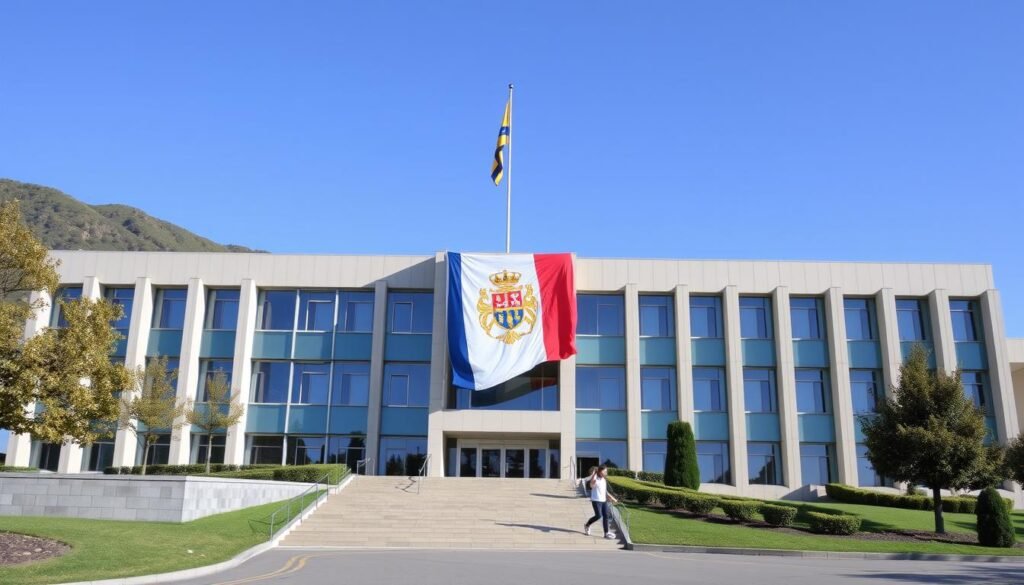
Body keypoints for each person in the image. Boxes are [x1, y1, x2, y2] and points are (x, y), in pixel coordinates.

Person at [584, 465, 618, 539]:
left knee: (606, 516)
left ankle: (606, 533)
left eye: (606, 471)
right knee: (598, 515)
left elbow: (605, 492)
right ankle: (587, 525)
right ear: (600, 471)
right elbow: (591, 485)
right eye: (605, 471)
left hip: (603, 500)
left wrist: (612, 498)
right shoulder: (595, 478)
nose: (606, 472)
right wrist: (593, 475)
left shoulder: (604, 480)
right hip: (596, 500)